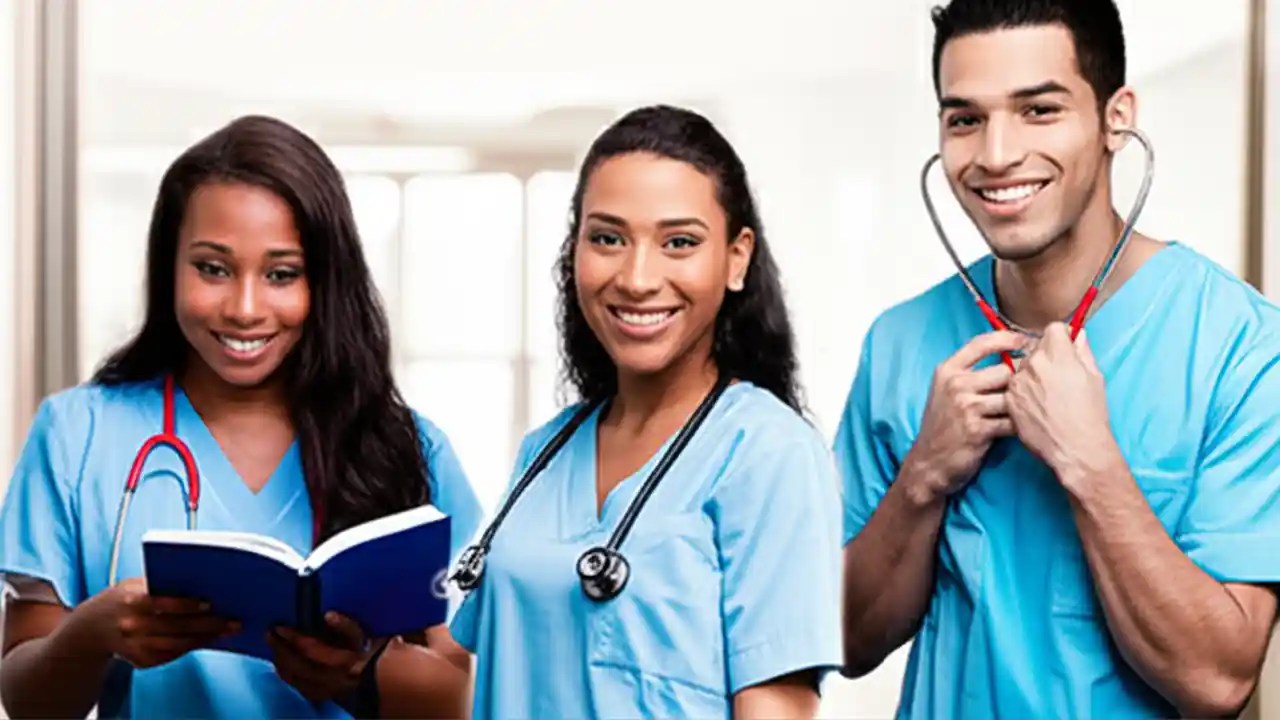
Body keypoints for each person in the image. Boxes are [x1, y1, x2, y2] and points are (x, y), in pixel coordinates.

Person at [836, 0, 1280, 717]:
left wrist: (1090, 463)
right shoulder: (900, 342)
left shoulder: (1242, 348)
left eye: (1039, 110)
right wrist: (922, 478)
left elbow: (1218, 682)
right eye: (965, 119)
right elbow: (846, 642)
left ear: (1115, 118)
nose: (996, 154)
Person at [0, 115, 483, 719]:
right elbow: (27, 702)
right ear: (168, 266)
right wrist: (92, 633)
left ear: (325, 281)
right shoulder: (77, 434)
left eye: (282, 274)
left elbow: (462, 695)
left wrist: (358, 677)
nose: (245, 309)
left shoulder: (409, 447)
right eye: (212, 268)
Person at [448, 105, 843, 720]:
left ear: (737, 258)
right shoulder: (545, 452)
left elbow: (777, 707)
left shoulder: (768, 453)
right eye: (607, 238)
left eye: (679, 243)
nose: (637, 278)